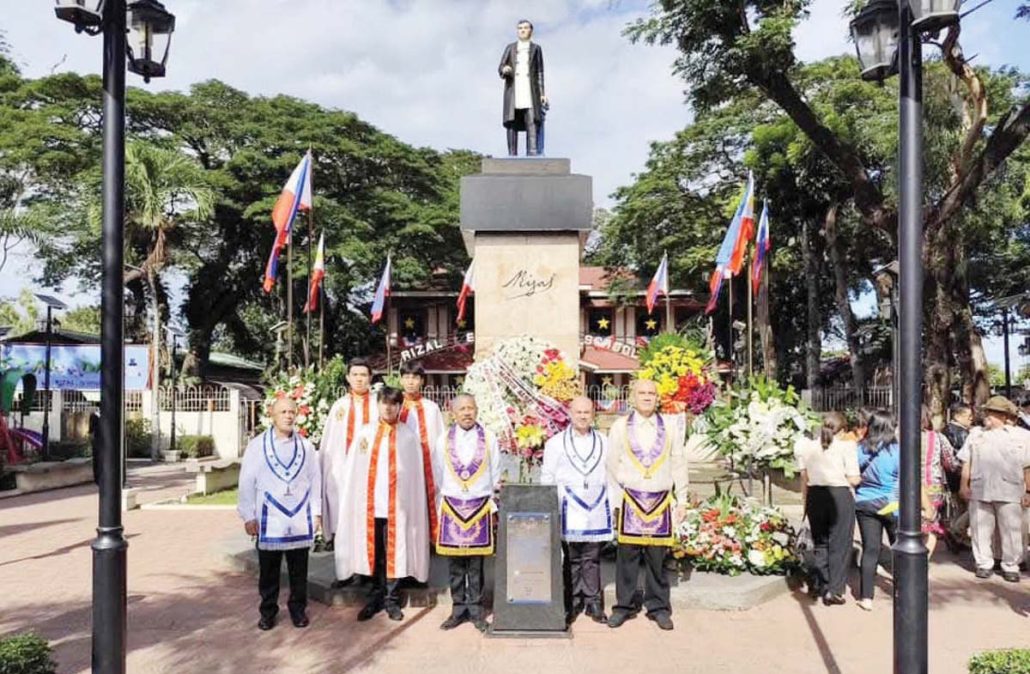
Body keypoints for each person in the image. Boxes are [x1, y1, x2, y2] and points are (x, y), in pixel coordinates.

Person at [334, 387, 430, 620]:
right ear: (378, 404)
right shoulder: (364, 434)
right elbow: (354, 471)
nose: (389, 407)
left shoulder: (408, 436)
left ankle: (392, 599)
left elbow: (415, 477)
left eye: (394, 404)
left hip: (397, 508)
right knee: (374, 553)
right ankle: (374, 598)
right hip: (370, 507)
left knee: (394, 552)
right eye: (385, 403)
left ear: (399, 407)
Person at [605, 378, 688, 631]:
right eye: (642, 393)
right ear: (633, 396)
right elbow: (611, 465)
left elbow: (678, 462)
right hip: (631, 499)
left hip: (660, 500)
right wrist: (614, 502)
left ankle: (658, 607)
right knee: (627, 557)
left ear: (658, 397)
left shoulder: (671, 427)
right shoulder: (620, 426)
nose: (647, 397)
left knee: (656, 559)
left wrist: (681, 499)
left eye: (651, 393)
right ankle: (624, 606)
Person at [237, 396, 322, 630]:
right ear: (272, 416)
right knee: (269, 571)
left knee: (299, 569)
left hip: (298, 515)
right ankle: (268, 611)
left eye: (292, 411)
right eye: (282, 412)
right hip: (269, 516)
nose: (288, 415)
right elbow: (246, 481)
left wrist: (317, 513)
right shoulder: (257, 445)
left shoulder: (306, 446)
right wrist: (248, 515)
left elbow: (315, 480)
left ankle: (298, 609)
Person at [431, 394, 502, 632]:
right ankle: (458, 608)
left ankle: (476, 610)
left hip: (479, 505)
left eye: (470, 408)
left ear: (477, 410)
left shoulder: (489, 438)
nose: (466, 413)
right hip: (452, 505)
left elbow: (495, 473)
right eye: (461, 409)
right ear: (453, 413)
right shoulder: (442, 440)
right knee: (455, 564)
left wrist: (490, 501)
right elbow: (438, 474)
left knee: (476, 564)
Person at [541, 396, 613, 624]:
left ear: (593, 415)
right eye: (578, 412)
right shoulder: (555, 443)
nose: (583, 416)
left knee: (592, 557)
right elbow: (548, 476)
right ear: (570, 414)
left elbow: (610, 474)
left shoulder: (604, 441)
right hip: (568, 507)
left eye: (587, 412)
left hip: (595, 505)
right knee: (571, 558)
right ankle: (570, 601)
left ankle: (593, 601)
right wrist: (550, 507)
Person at [958, 395, 1030, 583]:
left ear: (1004, 415)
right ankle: (984, 563)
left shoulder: (1022, 436)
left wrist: (1028, 491)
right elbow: (967, 461)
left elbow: (1027, 466)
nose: (987, 416)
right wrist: (963, 485)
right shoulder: (975, 434)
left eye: (993, 412)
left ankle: (1011, 565)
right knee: (980, 528)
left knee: (1012, 531)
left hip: (1010, 490)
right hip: (980, 489)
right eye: (988, 412)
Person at [795, 412, 860, 606]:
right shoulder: (846, 447)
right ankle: (835, 589)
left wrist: (805, 503)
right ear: (841, 430)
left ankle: (821, 583)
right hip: (839, 495)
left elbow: (804, 478)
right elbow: (853, 478)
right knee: (840, 544)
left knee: (820, 542)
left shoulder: (806, 447)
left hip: (816, 494)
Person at [319, 357, 378, 552]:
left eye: (363, 375)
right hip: (342, 470)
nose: (359, 379)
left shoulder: (379, 404)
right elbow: (330, 442)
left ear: (370, 377)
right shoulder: (339, 407)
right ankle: (343, 563)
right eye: (355, 375)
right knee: (342, 512)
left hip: (372, 470)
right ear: (348, 377)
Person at [854, 409, 900, 611]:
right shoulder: (897, 451)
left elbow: (853, 473)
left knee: (870, 549)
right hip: (891, 503)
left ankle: (866, 597)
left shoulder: (861, 449)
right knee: (899, 548)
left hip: (864, 502)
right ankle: (902, 590)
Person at [399, 361, 445, 546]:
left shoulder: (431, 408)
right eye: (407, 377)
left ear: (422, 381)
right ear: (401, 380)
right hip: (403, 464)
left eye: (415, 378)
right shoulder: (396, 406)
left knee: (429, 498)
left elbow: (440, 438)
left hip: (428, 462)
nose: (411, 382)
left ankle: (430, 539)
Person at [498, 19, 546, 156]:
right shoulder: (510, 48)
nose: (523, 30)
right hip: (513, 89)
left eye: (525, 28)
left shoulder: (536, 48)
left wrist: (542, 93)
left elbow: (540, 72)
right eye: (520, 28)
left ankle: (532, 153)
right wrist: (504, 69)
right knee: (512, 121)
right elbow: (501, 66)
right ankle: (512, 154)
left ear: (531, 30)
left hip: (530, 91)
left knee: (532, 121)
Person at [920, 405, 958, 557]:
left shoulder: (898, 435)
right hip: (932, 485)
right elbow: (951, 463)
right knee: (930, 525)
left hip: (902, 486)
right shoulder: (938, 438)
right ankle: (923, 563)